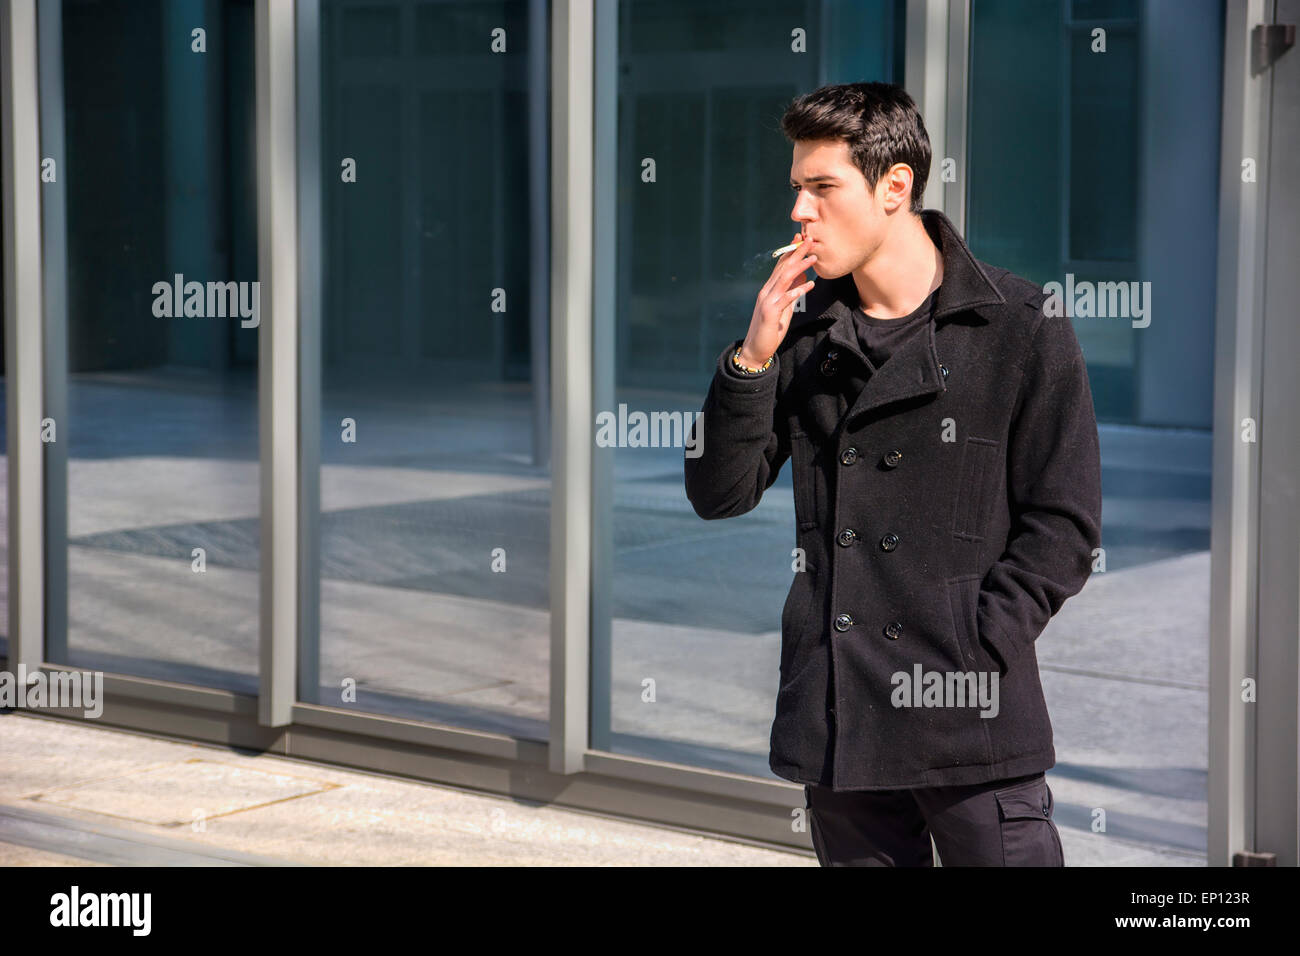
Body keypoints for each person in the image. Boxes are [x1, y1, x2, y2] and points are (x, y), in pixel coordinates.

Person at [683, 82, 1102, 866]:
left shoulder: (1018, 325)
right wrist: (752, 361)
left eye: (821, 188)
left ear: (894, 187)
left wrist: (977, 643)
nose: (799, 213)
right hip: (842, 718)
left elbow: (1064, 526)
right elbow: (719, 493)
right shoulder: (805, 335)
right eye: (797, 190)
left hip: (969, 718)